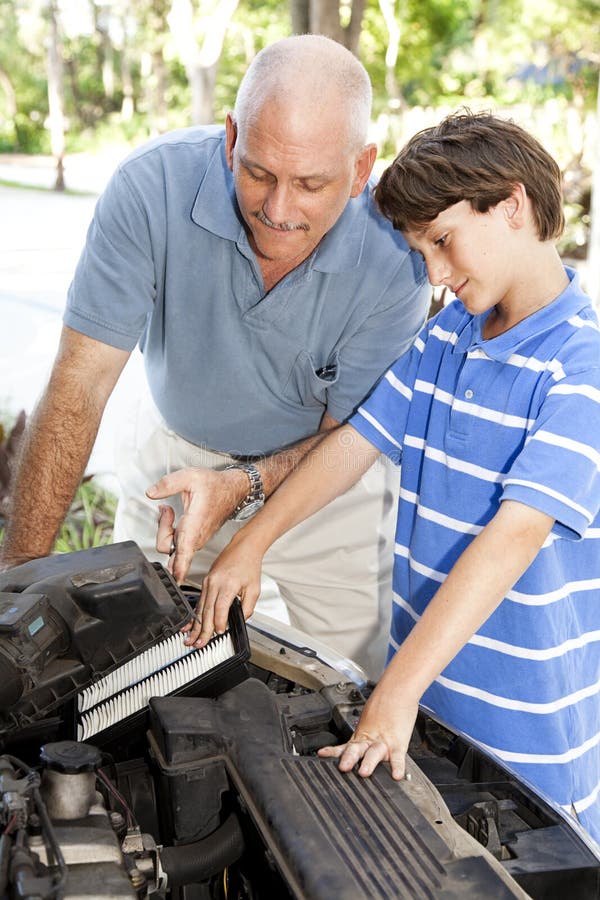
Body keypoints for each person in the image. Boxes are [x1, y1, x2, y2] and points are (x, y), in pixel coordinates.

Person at [188, 111, 600, 844]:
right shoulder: (448, 337)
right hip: (429, 708)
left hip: (532, 749)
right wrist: (253, 541)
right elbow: (354, 444)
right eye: (422, 253)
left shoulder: (582, 368)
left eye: (442, 243)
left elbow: (514, 536)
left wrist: (395, 692)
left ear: (512, 204)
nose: (436, 275)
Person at [0, 35, 430, 680]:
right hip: (174, 460)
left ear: (362, 167)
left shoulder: (398, 257)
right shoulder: (151, 188)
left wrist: (242, 491)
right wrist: (17, 589)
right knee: (135, 667)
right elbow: (79, 386)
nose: (278, 211)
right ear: (231, 138)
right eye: (258, 172)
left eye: (312, 184)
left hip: (329, 480)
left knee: (347, 686)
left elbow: (347, 437)